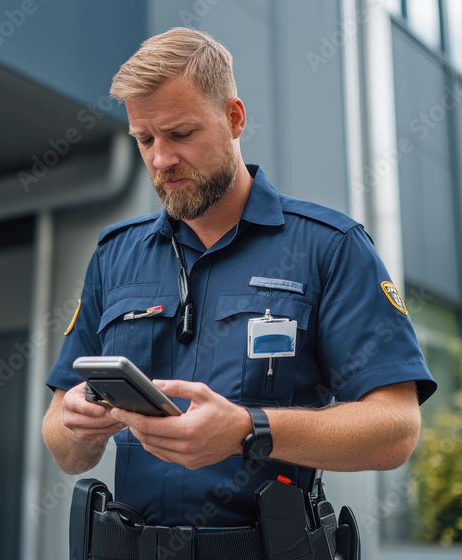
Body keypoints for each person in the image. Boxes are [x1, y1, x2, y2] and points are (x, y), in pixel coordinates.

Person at [42, 27, 436, 531]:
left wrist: (250, 430)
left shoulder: (329, 246)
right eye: (144, 139)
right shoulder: (115, 255)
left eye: (181, 134)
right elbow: (62, 444)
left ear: (234, 118)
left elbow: (395, 430)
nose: (160, 160)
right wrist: (79, 426)